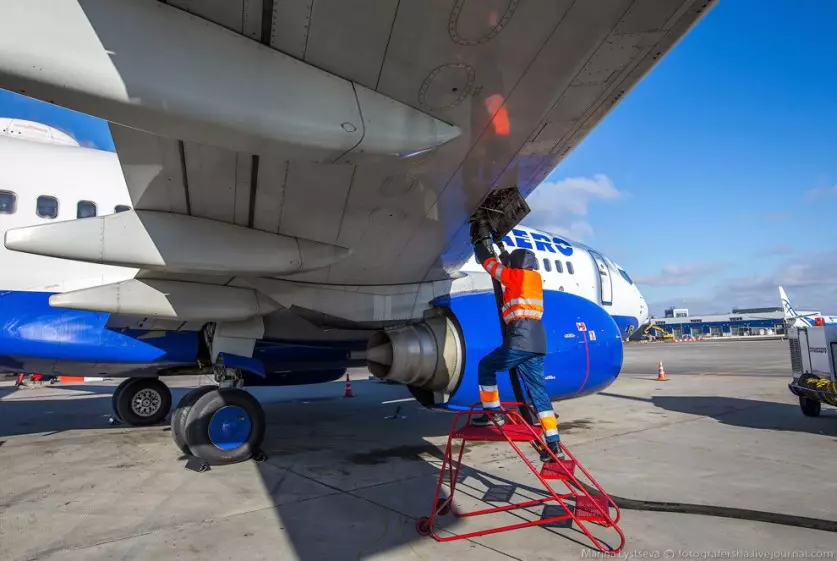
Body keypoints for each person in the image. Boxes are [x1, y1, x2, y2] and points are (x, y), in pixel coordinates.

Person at [471, 231, 564, 462]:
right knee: (538, 392)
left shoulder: (515, 276)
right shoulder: (533, 278)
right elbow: (506, 267)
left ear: (516, 265)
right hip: (537, 340)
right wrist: (504, 253)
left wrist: (480, 247)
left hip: (520, 336)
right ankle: (554, 443)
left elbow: (491, 266)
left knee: (486, 366)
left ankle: (493, 413)